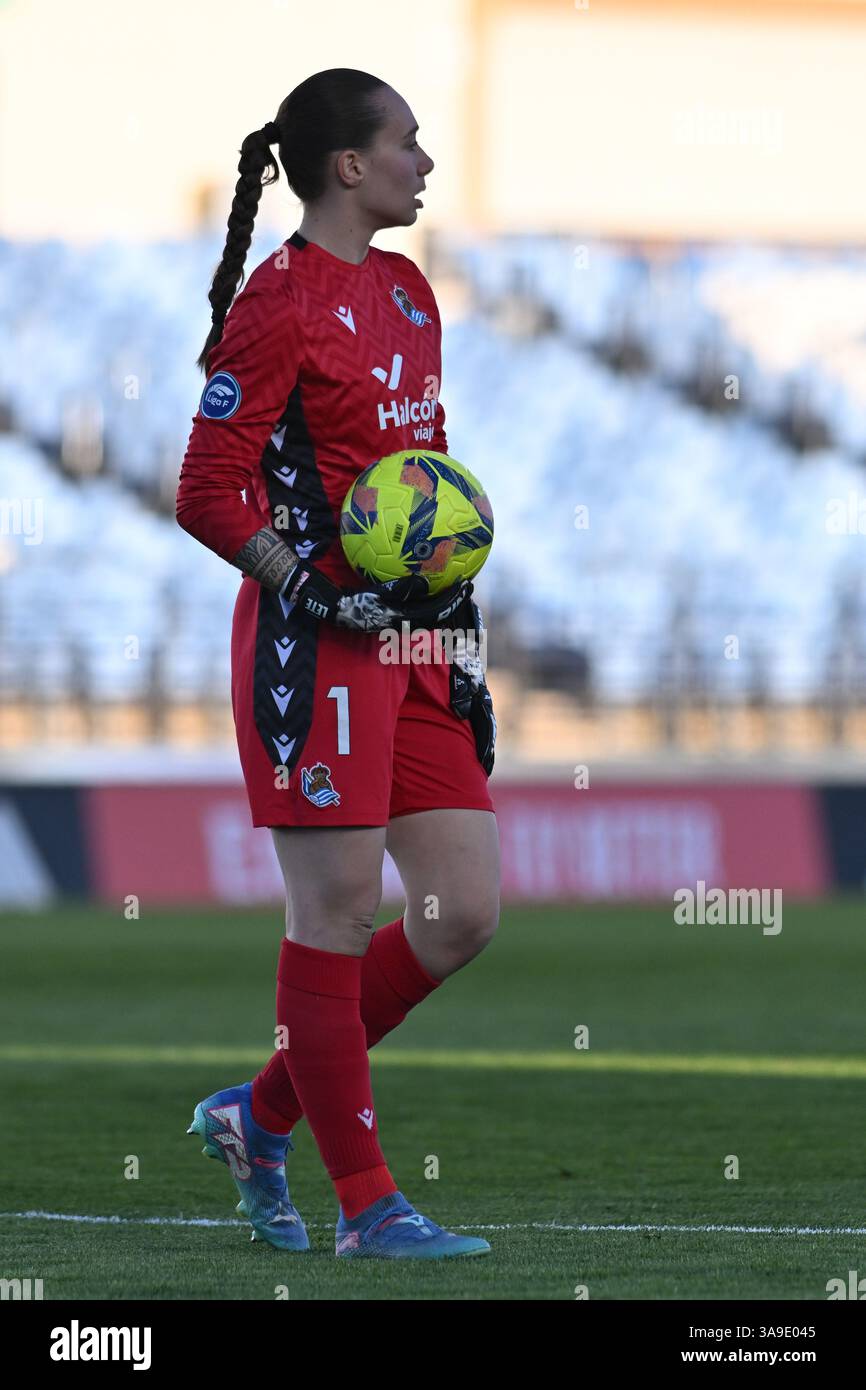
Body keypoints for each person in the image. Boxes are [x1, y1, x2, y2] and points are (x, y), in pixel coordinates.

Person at [176, 69, 499, 1260]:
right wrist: (309, 585)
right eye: (406, 144)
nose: (424, 163)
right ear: (349, 167)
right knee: (337, 910)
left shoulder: (411, 293)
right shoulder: (275, 304)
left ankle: (255, 1115)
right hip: (312, 646)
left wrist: (453, 641)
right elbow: (206, 489)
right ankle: (368, 1206)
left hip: (413, 644)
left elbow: (426, 486)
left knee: (461, 911)